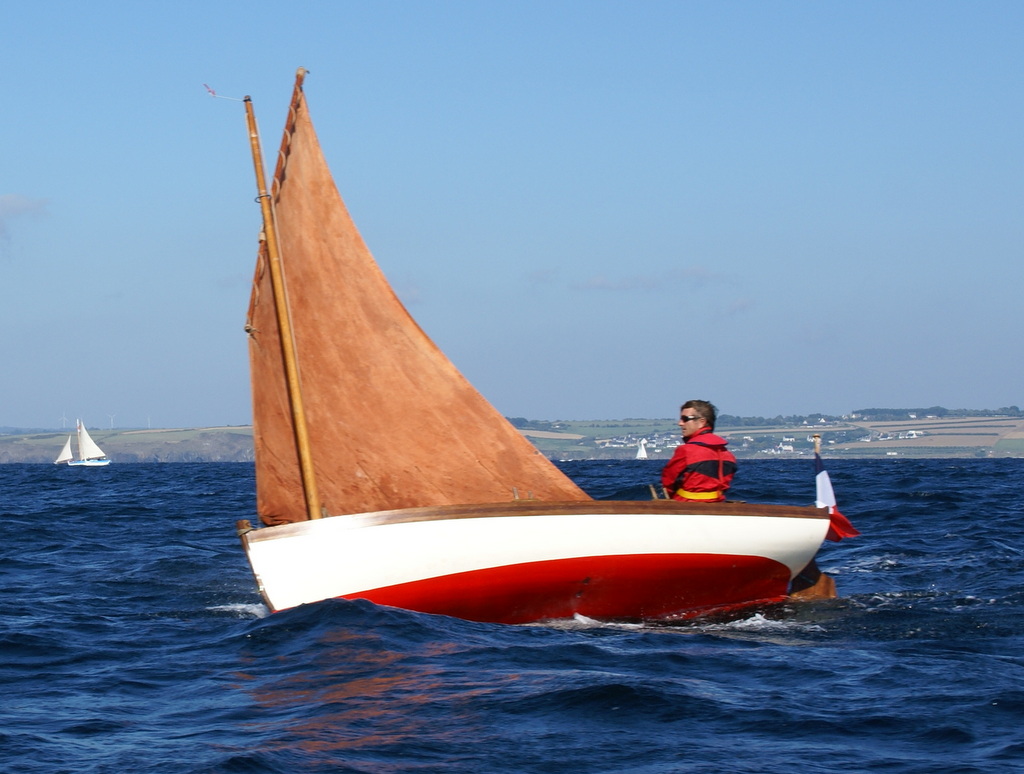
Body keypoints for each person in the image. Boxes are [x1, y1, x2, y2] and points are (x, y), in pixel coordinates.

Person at [660, 400, 736, 502]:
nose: (680, 423)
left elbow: (668, 482)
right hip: (718, 505)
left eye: (685, 419)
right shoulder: (728, 455)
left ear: (701, 422)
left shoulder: (686, 451)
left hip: (685, 505)